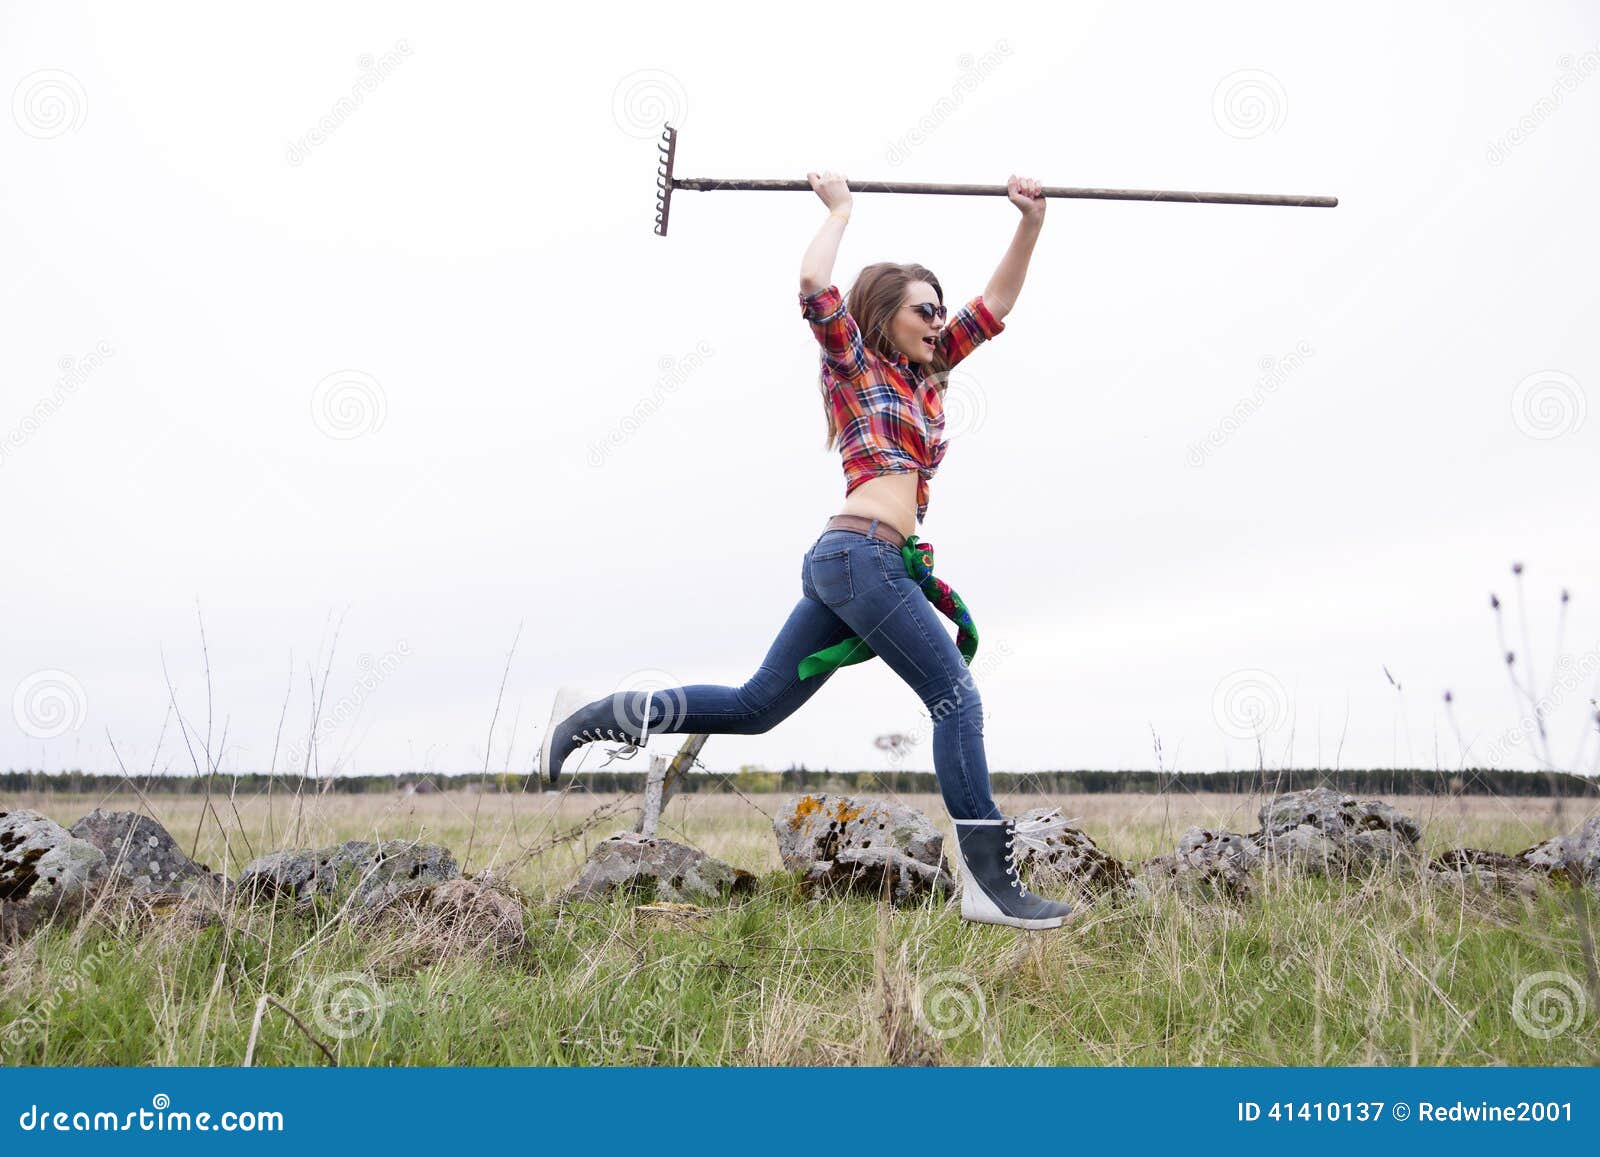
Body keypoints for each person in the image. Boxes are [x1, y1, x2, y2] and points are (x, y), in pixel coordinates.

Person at [537, 168, 1073, 929]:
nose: (937, 320)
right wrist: (840, 209)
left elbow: (998, 305)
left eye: (939, 311)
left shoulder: (928, 377)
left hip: (857, 563)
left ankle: (603, 713)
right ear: (886, 315)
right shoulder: (855, 365)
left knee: (757, 706)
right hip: (863, 558)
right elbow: (815, 281)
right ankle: (987, 883)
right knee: (956, 697)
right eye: (925, 309)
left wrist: (1030, 223)